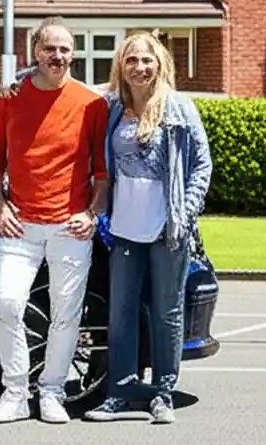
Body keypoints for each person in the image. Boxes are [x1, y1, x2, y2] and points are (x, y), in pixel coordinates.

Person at [0, 18, 109, 424]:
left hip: (70, 227)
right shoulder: (9, 98)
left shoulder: (92, 104)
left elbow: (103, 170)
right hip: (20, 226)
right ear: (35, 51)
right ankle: (15, 392)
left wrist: (92, 213)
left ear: (74, 54)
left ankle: (52, 391)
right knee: (8, 303)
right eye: (50, 49)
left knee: (66, 312)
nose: (58, 56)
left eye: (65, 49)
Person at [82, 31, 212, 424]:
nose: (139, 67)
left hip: (168, 230)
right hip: (124, 229)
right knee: (121, 312)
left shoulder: (179, 108)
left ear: (160, 65)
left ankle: (162, 394)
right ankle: (119, 393)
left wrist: (185, 214)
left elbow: (201, 166)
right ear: (121, 65)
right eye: (132, 60)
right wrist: (18, 80)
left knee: (166, 312)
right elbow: (68, 89)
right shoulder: (112, 108)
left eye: (147, 60)